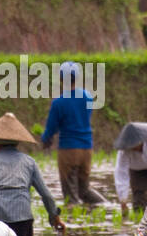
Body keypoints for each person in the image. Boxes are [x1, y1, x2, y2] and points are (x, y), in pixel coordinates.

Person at [41, 61, 106, 207]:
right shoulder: (88, 97)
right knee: (84, 189)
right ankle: (105, 206)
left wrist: (45, 139)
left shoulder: (59, 103)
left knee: (70, 193)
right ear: (77, 77)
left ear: (61, 79)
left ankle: (74, 226)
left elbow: (51, 127)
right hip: (86, 148)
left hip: (68, 149)